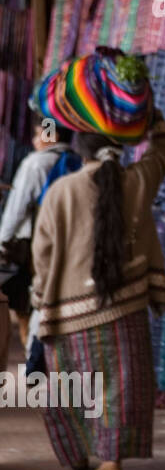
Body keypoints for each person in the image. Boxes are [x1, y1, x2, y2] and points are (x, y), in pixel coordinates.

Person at [30, 48, 165, 470]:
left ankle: (80, 452)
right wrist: (144, 108)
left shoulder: (61, 191)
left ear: (78, 146)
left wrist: (39, 300)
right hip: (124, 307)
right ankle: (113, 460)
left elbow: (43, 254)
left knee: (72, 384)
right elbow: (162, 151)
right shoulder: (138, 181)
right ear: (121, 145)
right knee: (121, 387)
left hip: (68, 312)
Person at [0, 117, 79, 353]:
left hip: (36, 252)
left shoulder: (36, 164)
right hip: (70, 249)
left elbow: (16, 211)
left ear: (51, 134)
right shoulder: (78, 161)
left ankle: (34, 363)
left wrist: (2, 242)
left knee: (33, 309)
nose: (34, 140)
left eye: (37, 134)